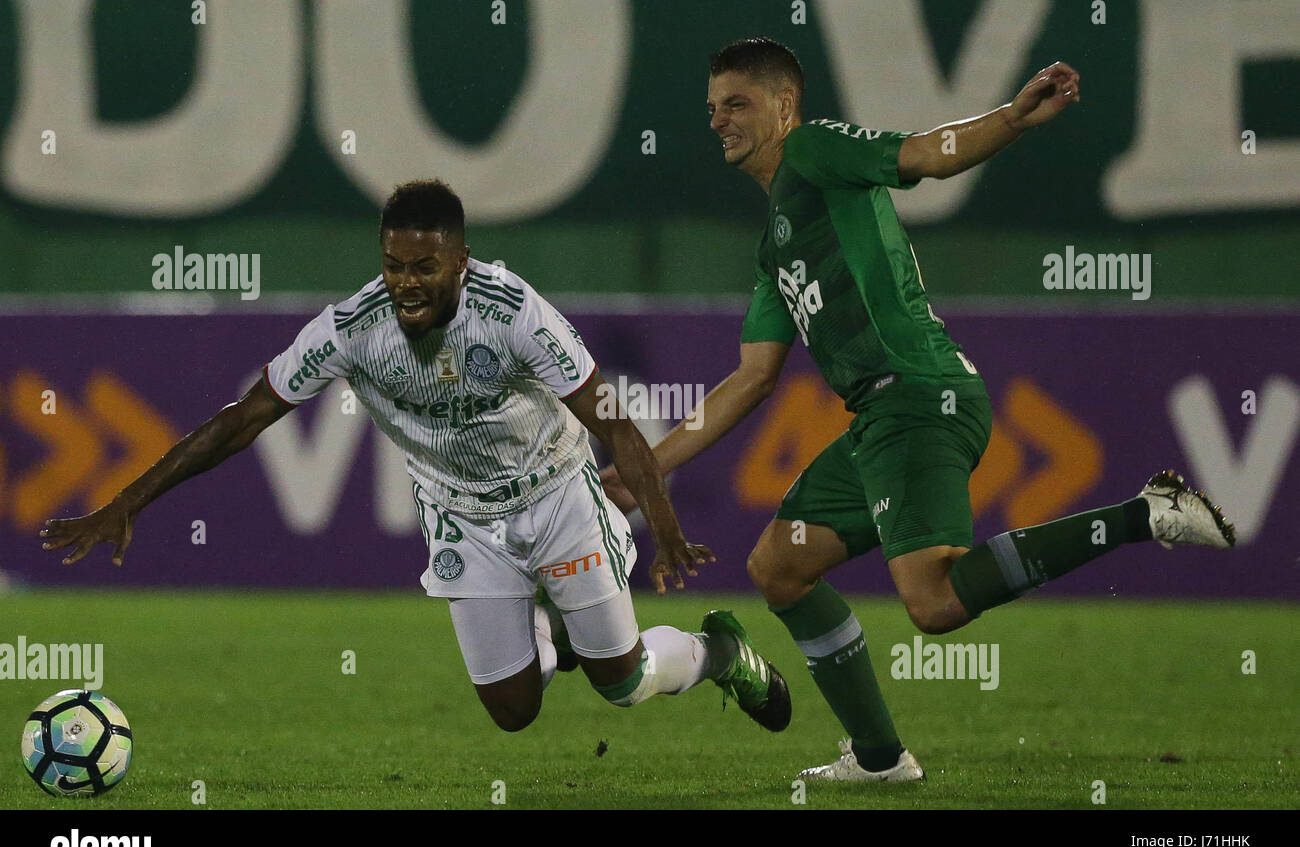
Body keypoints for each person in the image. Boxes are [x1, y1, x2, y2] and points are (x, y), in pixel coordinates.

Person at [601, 39, 1234, 782]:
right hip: (879, 421)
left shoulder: (816, 150)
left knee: (932, 602)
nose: (719, 120)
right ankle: (880, 759)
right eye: (712, 109)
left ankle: (1141, 514)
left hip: (917, 394)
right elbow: (750, 379)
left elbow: (929, 155)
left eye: (737, 103)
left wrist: (1013, 118)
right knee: (780, 565)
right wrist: (643, 471)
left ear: (784, 105)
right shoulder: (774, 245)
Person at [40, 178, 792, 735]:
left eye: (424, 267)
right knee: (513, 712)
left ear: (461, 260)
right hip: (462, 515)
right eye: (395, 264)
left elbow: (615, 424)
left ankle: (718, 651)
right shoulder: (351, 329)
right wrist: (125, 501)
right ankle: (546, 625)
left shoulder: (514, 312)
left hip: (558, 494)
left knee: (622, 684)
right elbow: (243, 420)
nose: (406, 282)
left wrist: (661, 523)